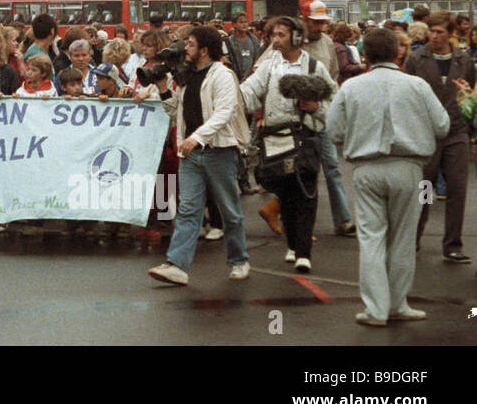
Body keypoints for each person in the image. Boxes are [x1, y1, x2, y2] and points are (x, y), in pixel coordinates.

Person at [326, 28, 450, 326]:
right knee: (403, 239)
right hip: (409, 168)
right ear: (398, 52)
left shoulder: (351, 87)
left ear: (365, 54)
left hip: (366, 168)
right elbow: (442, 125)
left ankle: (376, 309)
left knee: (371, 239)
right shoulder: (417, 85)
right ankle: (398, 303)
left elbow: (334, 130)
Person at [142, 26, 251, 286]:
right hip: (191, 153)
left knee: (229, 210)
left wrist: (196, 137)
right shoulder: (189, 77)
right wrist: (163, 90)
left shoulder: (222, 76)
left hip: (219, 152)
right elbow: (175, 111)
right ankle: (177, 265)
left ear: (204, 50)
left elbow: (224, 113)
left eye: (190, 44)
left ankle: (239, 260)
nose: (185, 49)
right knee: (189, 208)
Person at [241, 17, 336, 271]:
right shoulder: (268, 66)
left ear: (296, 37)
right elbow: (250, 92)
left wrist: (316, 108)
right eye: (273, 35)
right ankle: (293, 245)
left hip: (305, 138)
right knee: (285, 194)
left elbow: (335, 104)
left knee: (305, 194)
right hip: (275, 140)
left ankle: (304, 253)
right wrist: (231, 94)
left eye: (281, 35)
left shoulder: (315, 67)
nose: (275, 40)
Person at [407, 11, 476, 263]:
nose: (433, 37)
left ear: (451, 34)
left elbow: (469, 92)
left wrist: (466, 95)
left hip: (457, 132)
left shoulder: (464, 60)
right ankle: (413, 236)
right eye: (431, 31)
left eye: (439, 32)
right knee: (424, 188)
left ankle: (453, 245)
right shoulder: (416, 59)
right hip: (426, 134)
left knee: (457, 190)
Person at [224, 12, 262, 79]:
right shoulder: (227, 42)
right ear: (234, 24)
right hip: (234, 78)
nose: (244, 24)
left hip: (251, 79)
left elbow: (257, 60)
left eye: (246, 22)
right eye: (241, 22)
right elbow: (226, 61)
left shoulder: (254, 40)